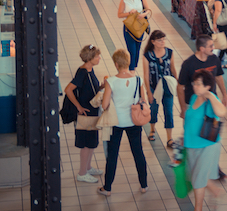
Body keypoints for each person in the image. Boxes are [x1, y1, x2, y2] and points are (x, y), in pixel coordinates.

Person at [98, 49, 149, 197]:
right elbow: (143, 100)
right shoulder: (138, 80)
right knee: (138, 152)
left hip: (117, 122)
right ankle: (144, 185)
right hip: (134, 121)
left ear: (116, 64)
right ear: (128, 62)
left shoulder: (111, 81)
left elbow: (105, 105)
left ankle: (107, 188)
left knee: (113, 155)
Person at [182, 69, 227, 211]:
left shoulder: (210, 100)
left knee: (197, 179)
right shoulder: (194, 97)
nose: (195, 86)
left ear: (208, 86)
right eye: (194, 83)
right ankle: (215, 191)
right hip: (191, 144)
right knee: (194, 175)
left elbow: (222, 112)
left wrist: (209, 95)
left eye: (199, 84)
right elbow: (190, 120)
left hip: (207, 146)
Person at [63, 45, 104, 183]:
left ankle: (88, 167)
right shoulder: (82, 72)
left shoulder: (89, 69)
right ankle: (82, 173)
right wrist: (79, 107)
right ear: (90, 58)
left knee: (92, 141)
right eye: (97, 56)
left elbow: (90, 88)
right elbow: (68, 89)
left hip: (92, 111)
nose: (99, 58)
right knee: (86, 143)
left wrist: (102, 87)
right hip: (85, 113)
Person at [177, 35, 227, 116]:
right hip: (193, 103)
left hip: (210, 102)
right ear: (202, 49)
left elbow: (218, 77)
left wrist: (225, 95)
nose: (213, 48)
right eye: (210, 46)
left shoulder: (214, 59)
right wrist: (183, 109)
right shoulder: (188, 64)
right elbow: (180, 87)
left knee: (209, 127)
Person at [143, 30, 178, 148]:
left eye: (164, 39)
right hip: (154, 87)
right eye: (159, 40)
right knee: (153, 110)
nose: (163, 42)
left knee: (169, 111)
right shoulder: (147, 56)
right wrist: (148, 92)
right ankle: (152, 129)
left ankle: (169, 138)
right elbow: (146, 75)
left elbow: (173, 69)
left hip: (167, 87)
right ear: (153, 42)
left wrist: (177, 83)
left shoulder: (169, 52)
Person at [117, 0, 150, 72]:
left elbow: (148, 10)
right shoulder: (124, 0)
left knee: (138, 49)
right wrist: (129, 13)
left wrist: (143, 14)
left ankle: (133, 67)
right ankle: (132, 71)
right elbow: (119, 14)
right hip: (129, 28)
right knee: (132, 51)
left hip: (139, 27)